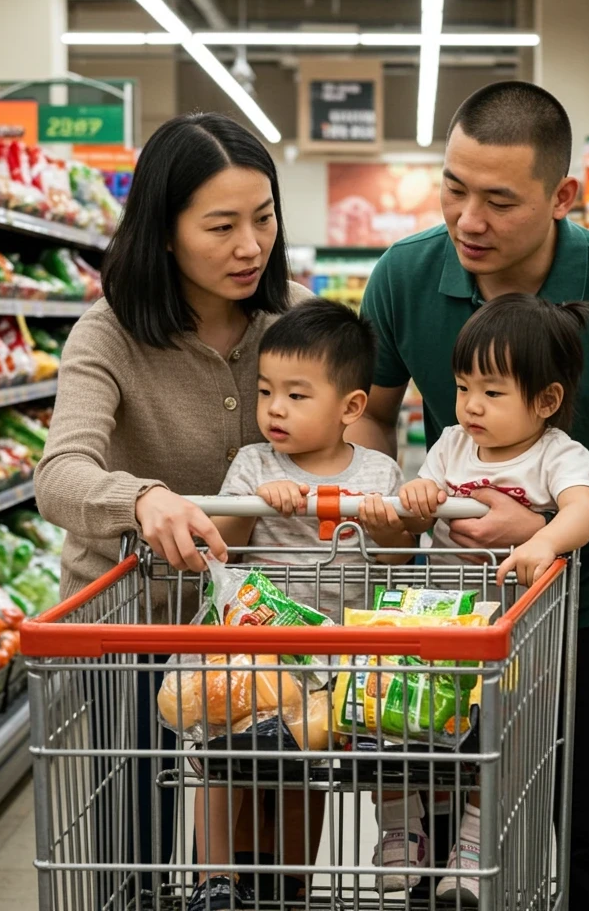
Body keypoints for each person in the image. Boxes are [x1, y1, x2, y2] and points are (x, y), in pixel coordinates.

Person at [350, 81, 589, 911]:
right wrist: (390, 509)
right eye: (454, 189)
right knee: (433, 827)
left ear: (562, 196)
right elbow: (370, 422)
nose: (468, 220)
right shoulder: (406, 274)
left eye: (499, 200)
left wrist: (548, 526)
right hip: (447, 602)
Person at [34, 111, 310, 908]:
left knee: (264, 828)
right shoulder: (109, 333)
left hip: (252, 623)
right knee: (136, 838)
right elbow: (60, 475)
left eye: (263, 219)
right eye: (220, 226)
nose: (250, 246)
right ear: (163, 232)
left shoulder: (294, 321)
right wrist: (143, 496)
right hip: (135, 617)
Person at [360, 292, 589, 902]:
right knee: (389, 711)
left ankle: (474, 840)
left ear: (545, 400)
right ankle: (400, 828)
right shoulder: (451, 445)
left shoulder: (557, 454)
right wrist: (418, 493)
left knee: (499, 742)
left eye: (492, 392)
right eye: (464, 386)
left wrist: (545, 540)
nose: (471, 405)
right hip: (442, 622)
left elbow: (584, 509)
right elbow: (425, 487)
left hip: (515, 628)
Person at [189, 298, 407, 910]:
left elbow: (395, 564)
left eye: (296, 395)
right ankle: (217, 881)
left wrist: (387, 524)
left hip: (331, 656)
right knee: (221, 757)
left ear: (351, 408)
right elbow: (224, 548)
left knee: (302, 774)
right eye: (265, 392)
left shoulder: (378, 474)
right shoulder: (253, 462)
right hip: (250, 644)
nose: (274, 409)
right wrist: (254, 501)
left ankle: (288, 885)